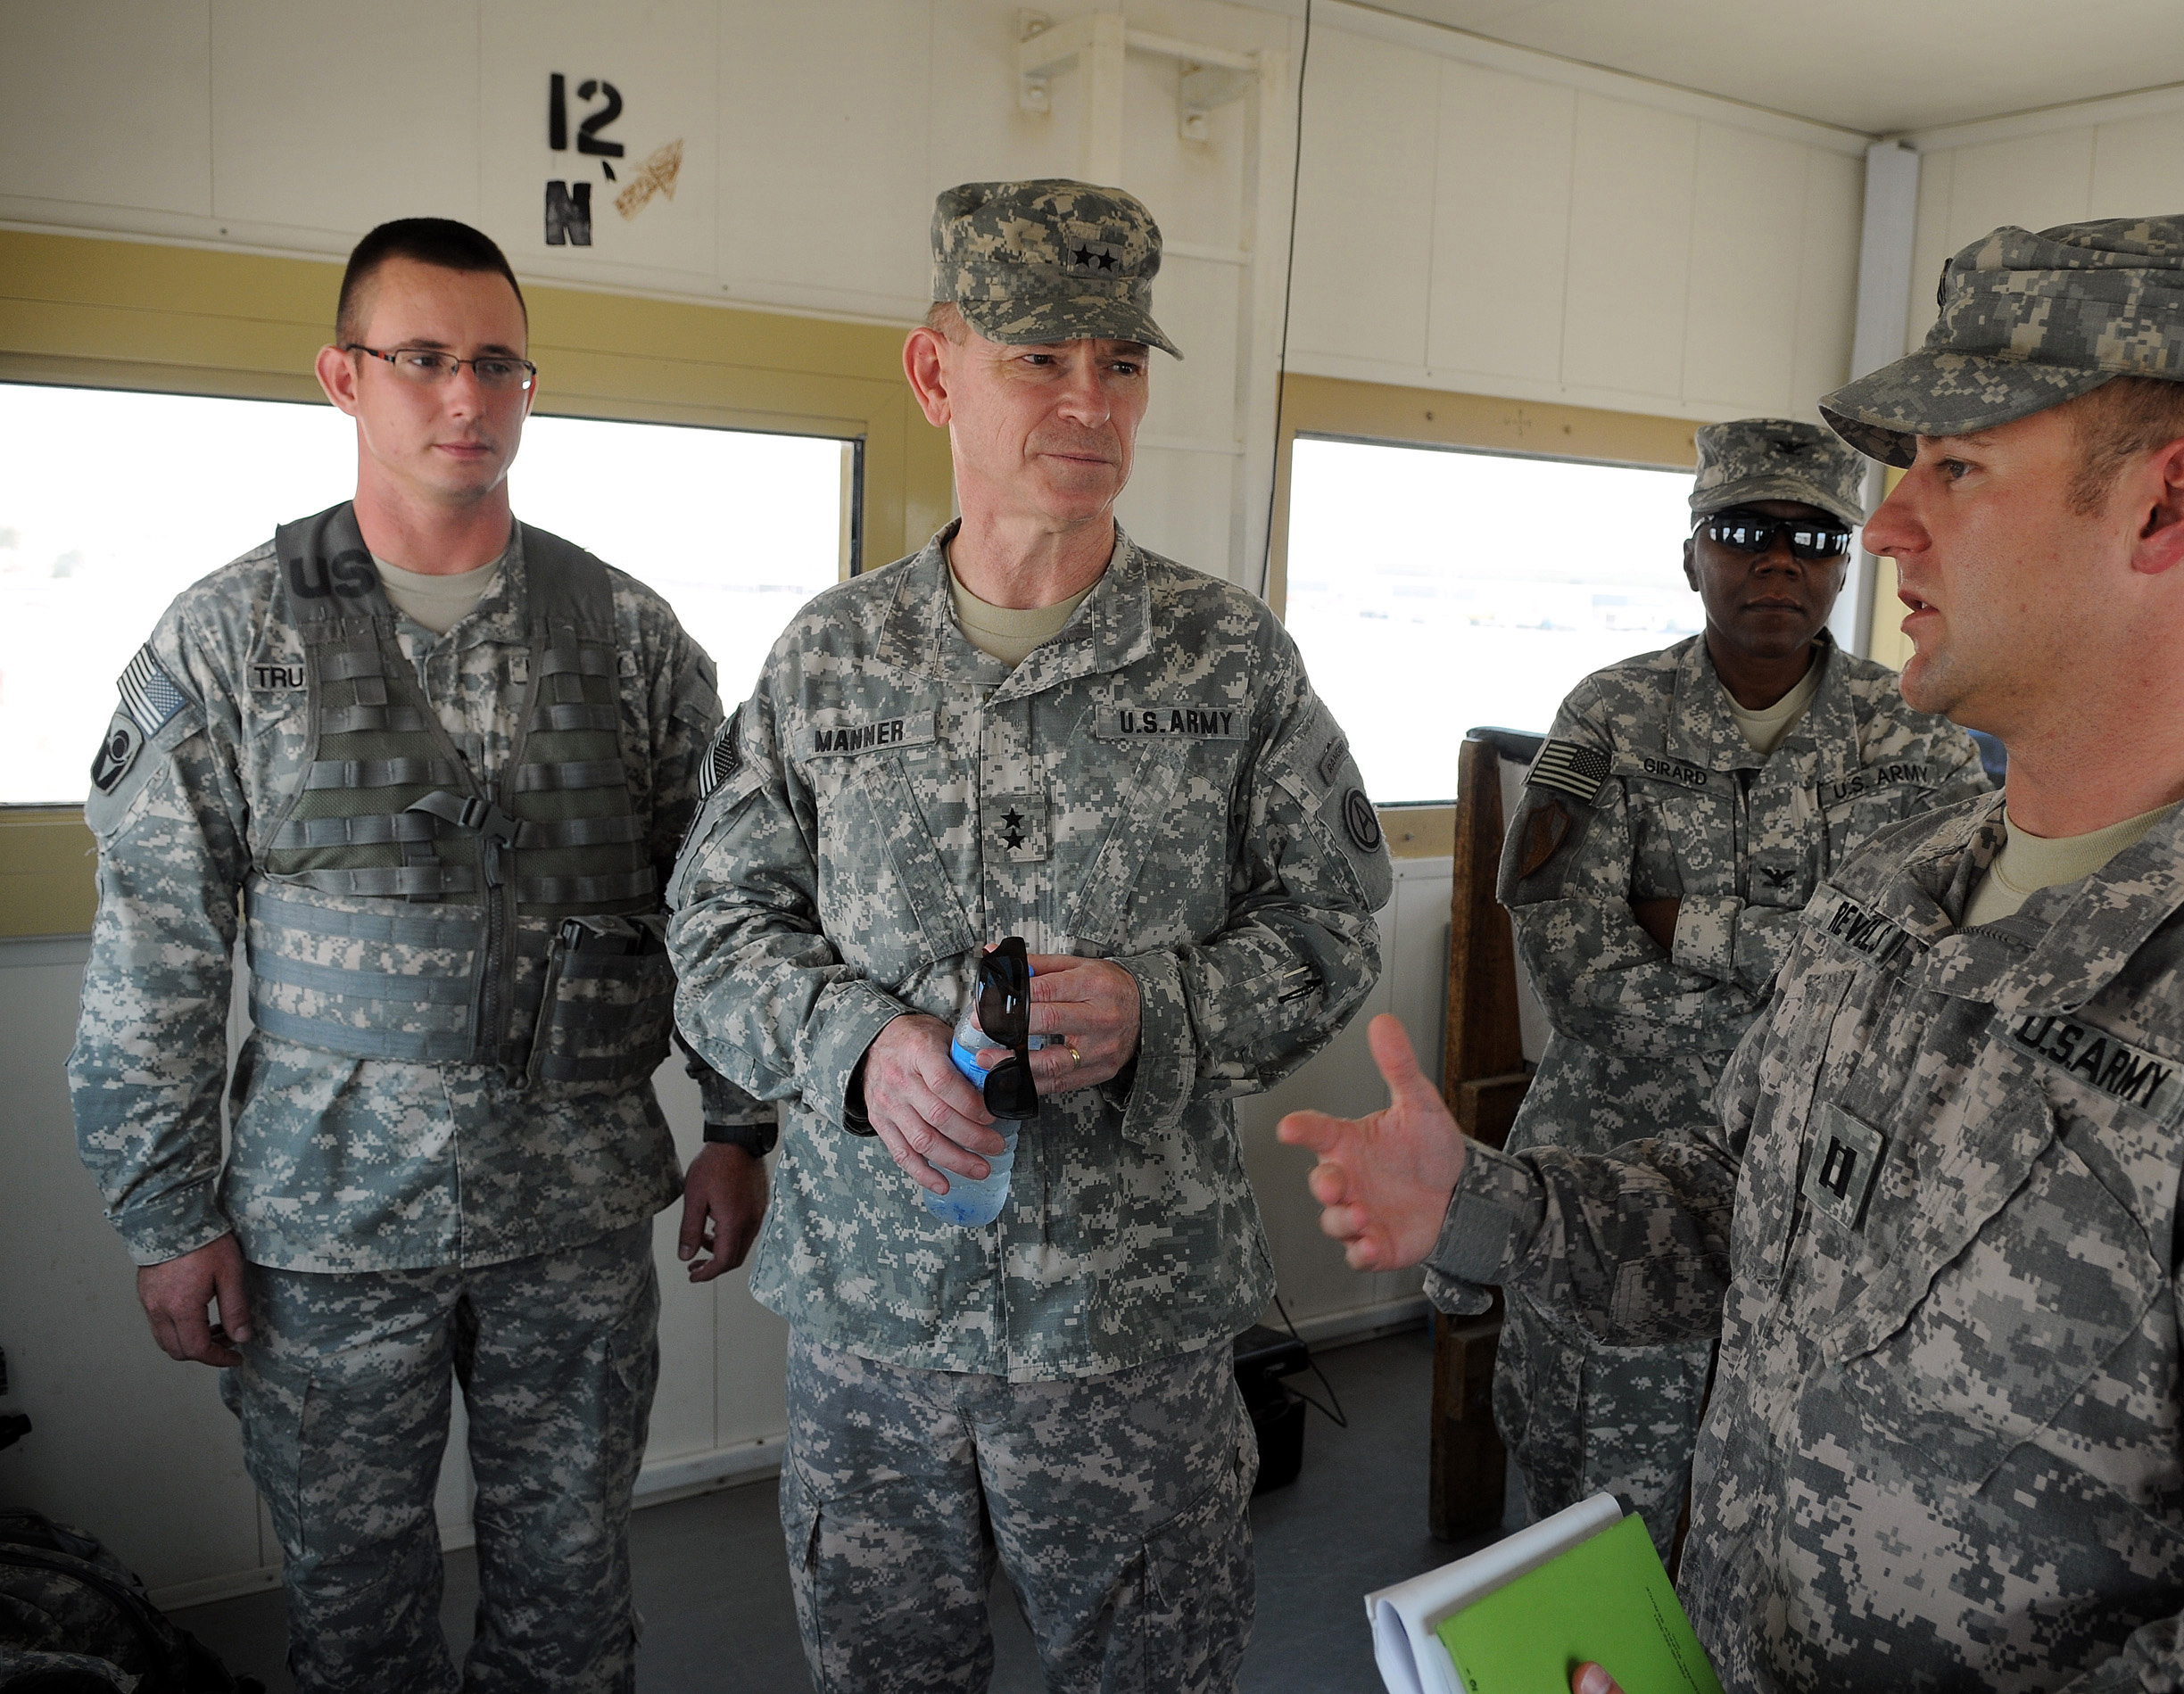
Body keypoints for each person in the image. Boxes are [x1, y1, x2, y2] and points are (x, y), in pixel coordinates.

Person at [1284, 208, 2184, 1691]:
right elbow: (1731, 1209)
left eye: (1952, 465)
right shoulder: (1898, 892)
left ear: (2164, 505)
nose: (1878, 530)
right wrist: (1483, 1206)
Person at [664, 179, 1390, 1694]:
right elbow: (715, 928)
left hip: (1128, 1324)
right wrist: (856, 1048)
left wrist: (1156, 1009)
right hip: (877, 1322)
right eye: (1040, 357)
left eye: (1119, 363)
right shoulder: (829, 654)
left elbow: (1329, 923)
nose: (1089, 398)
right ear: (936, 373)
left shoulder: (1227, 655)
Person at [65, 217, 774, 1694]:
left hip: (570, 1219)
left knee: (571, 1600)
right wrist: (162, 1211)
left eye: (499, 362)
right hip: (323, 1229)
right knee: (354, 1621)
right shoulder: (232, 636)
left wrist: (738, 1120)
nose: (468, 395)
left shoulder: (628, 635)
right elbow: (157, 941)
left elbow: (715, 901)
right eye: (425, 359)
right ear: (344, 375)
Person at [1477, 417, 1985, 1557]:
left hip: (1823, 1164)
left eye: (1814, 538)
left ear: (1847, 563)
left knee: (1796, 1504)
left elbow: (1923, 958)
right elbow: (1576, 957)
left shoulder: (1918, 729)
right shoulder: (1612, 713)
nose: (1779, 562)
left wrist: (1692, 925)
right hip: (1617, 1148)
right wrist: (1803, 979)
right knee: (1593, 1492)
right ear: (1693, 552)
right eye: (1746, 531)